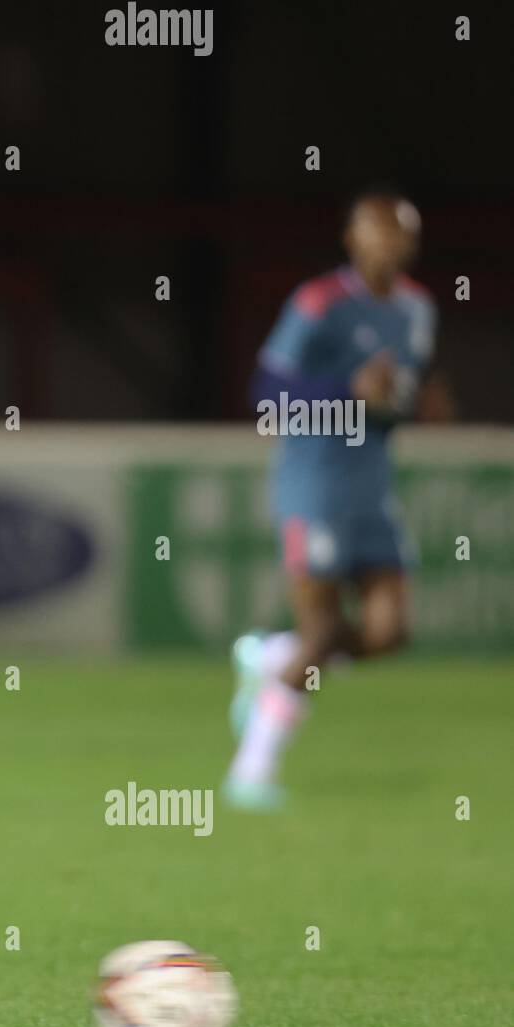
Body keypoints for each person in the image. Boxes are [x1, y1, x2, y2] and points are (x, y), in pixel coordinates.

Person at [225, 192, 439, 811]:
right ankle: (251, 770)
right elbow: (267, 391)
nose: (387, 245)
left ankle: (271, 655)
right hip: (313, 485)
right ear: (352, 240)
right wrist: (346, 390)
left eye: (398, 235)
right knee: (322, 634)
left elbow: (399, 394)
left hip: (371, 486)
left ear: (411, 245)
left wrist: (417, 406)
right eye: (375, 233)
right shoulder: (319, 303)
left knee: (389, 631)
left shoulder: (419, 309)